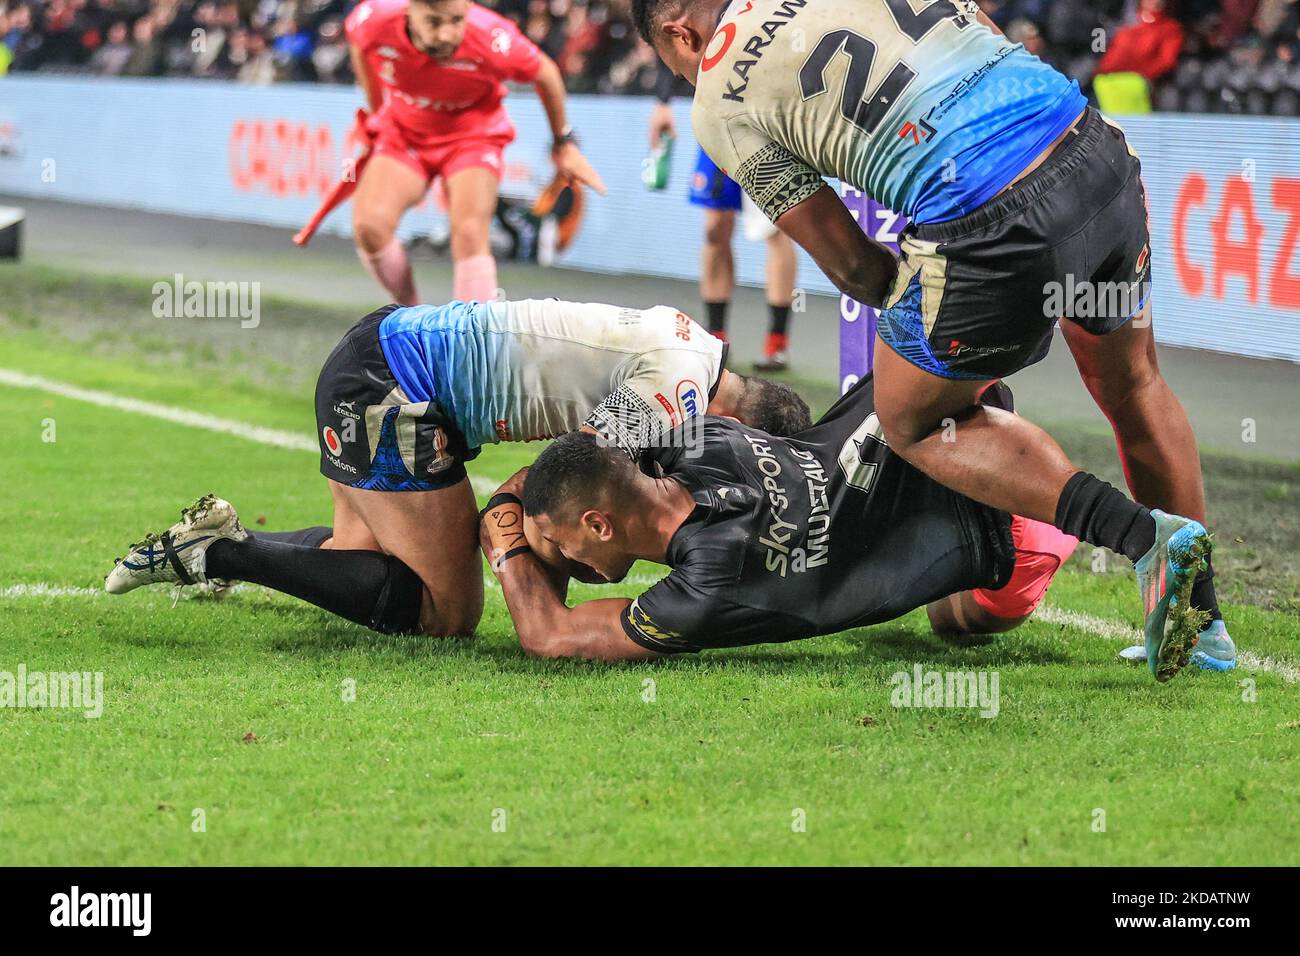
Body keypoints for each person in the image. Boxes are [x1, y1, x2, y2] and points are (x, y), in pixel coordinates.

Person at [630, 0, 1233, 678]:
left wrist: (925, 309)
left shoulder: (716, 93)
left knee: (911, 417)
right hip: (1093, 147)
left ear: (681, 34)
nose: (686, 75)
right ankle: (1203, 622)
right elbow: (987, 32)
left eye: (674, 63)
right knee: (1135, 384)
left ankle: (1142, 534)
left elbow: (849, 262)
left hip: (987, 210)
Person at [104, 298, 811, 639]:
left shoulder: (693, 357)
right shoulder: (675, 395)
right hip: (395, 387)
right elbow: (564, 481)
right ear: (739, 428)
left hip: (389, 360)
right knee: (447, 615)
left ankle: (221, 547)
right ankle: (221, 552)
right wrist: (591, 561)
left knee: (361, 559)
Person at [478, 377, 1079, 662]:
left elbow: (550, 637)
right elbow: (585, 456)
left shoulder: (703, 589)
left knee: (957, 622)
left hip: (1007, 520)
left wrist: (501, 531)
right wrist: (523, 499)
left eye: (561, 544)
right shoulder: (699, 436)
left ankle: (1087, 529)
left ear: (600, 524)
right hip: (934, 411)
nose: (565, 560)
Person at [345, 0, 605, 305]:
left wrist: (564, 142)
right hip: (406, 133)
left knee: (469, 234)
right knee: (369, 228)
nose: (446, 34)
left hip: (474, 137)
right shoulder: (373, 18)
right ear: (408, 9)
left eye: (456, 20)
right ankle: (410, 313)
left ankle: (473, 338)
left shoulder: (492, 37)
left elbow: (546, 73)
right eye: (433, 22)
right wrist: (377, 111)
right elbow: (359, 44)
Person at [648, 62, 798, 370]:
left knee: (775, 228)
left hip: (767, 118)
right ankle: (715, 339)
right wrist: (663, 100)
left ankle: (777, 343)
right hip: (717, 117)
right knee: (715, 229)